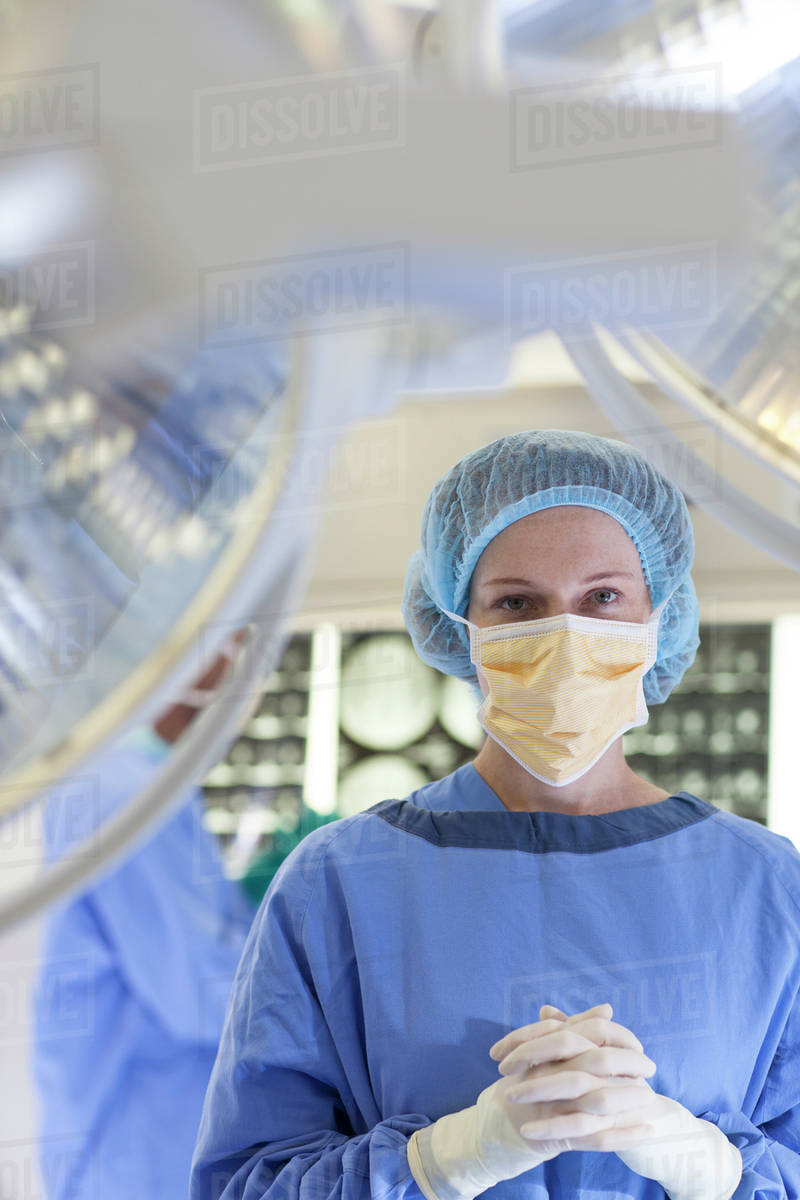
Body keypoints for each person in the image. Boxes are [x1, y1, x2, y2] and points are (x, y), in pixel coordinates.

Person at [190, 430, 800, 1199]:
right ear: (460, 626)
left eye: (602, 597)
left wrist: (714, 1166)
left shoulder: (767, 887)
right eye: (517, 603)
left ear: (659, 613)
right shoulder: (341, 881)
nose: (566, 636)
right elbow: (247, 1183)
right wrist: (439, 1161)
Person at [33, 646, 256, 1200]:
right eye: (232, 639)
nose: (238, 660)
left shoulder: (142, 781)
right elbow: (200, 997)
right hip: (141, 1160)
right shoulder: (122, 794)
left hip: (151, 1152)